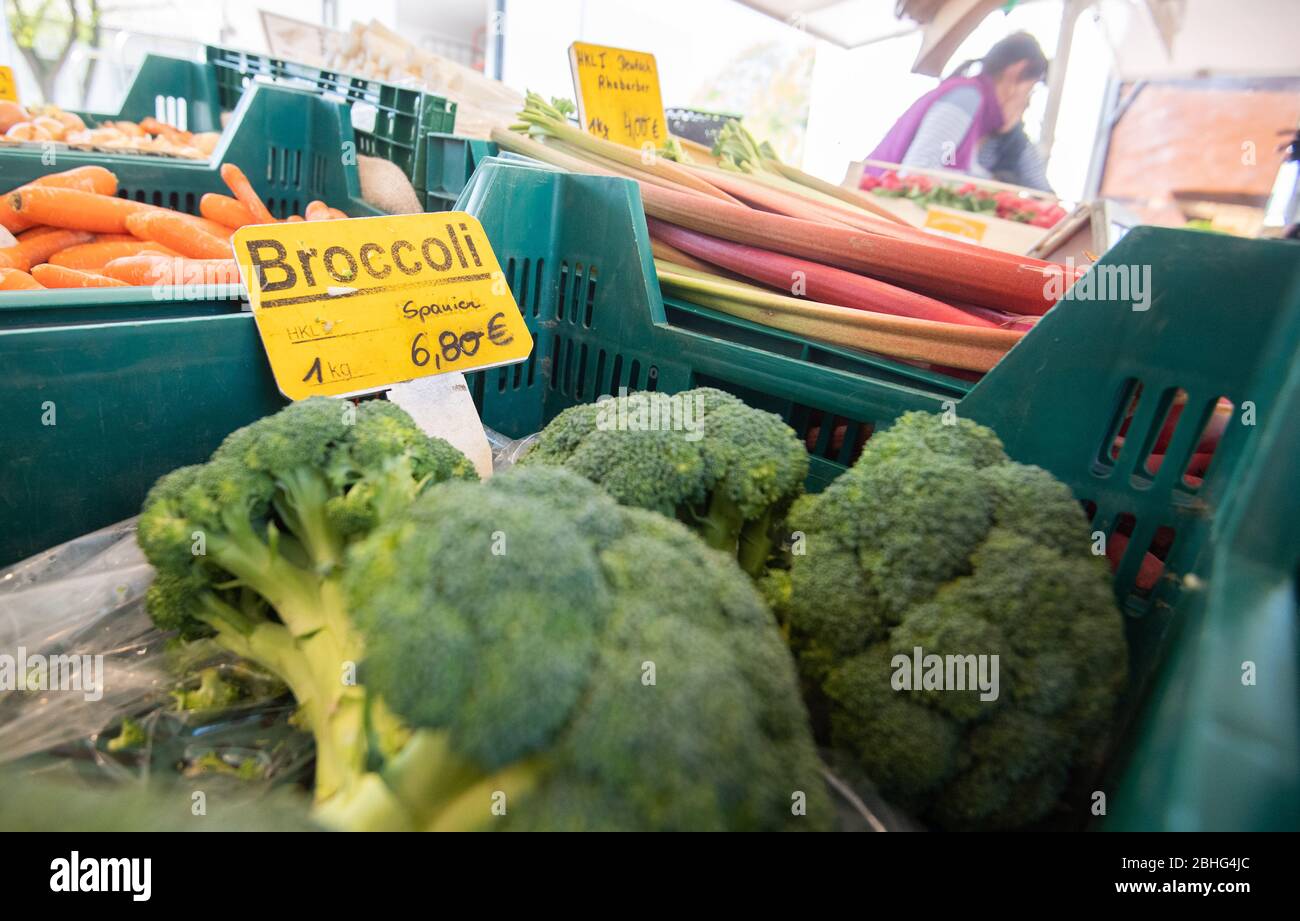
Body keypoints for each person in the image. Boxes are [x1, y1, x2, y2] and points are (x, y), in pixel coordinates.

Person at [863, 32, 1053, 192]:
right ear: (1016, 71)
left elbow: (946, 160)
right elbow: (919, 170)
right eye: (1030, 88)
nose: (1027, 99)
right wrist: (988, 191)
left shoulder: (980, 114)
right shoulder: (966, 99)